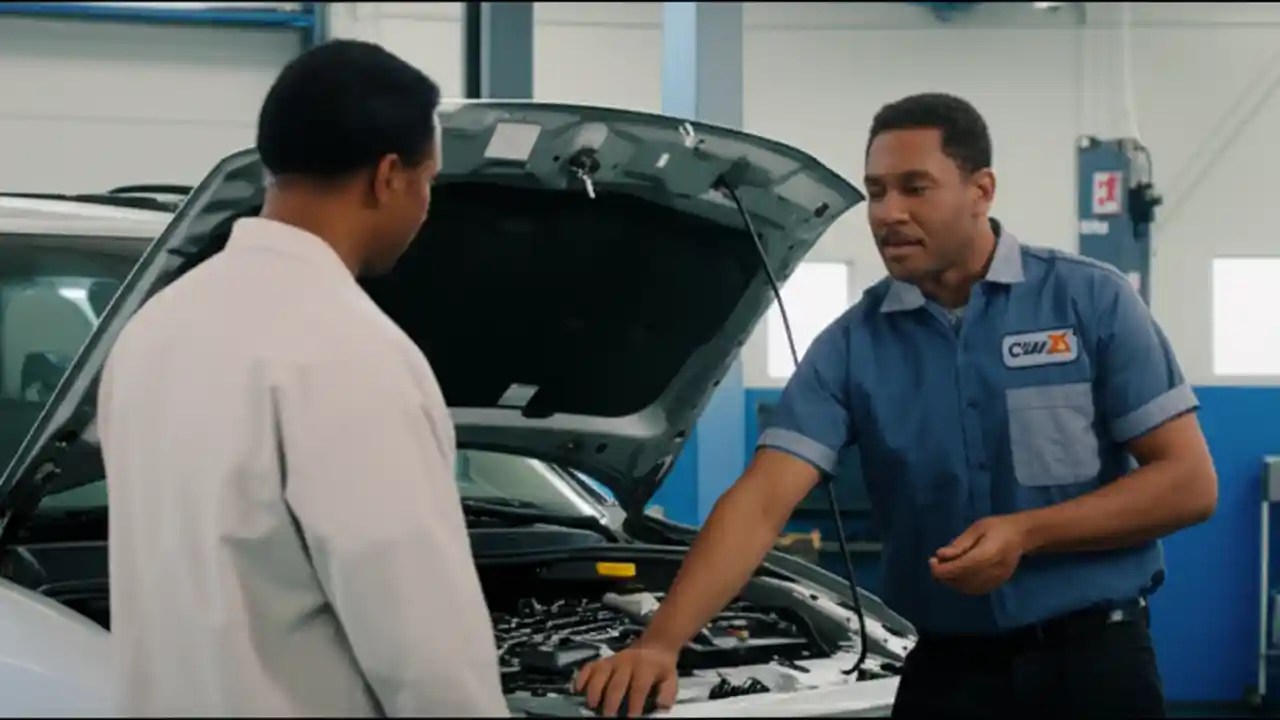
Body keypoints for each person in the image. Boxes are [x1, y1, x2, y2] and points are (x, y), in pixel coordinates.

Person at [572, 92, 1218, 718]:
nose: (887, 213)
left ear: (981, 190)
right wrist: (660, 643)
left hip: (1094, 664)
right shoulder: (852, 346)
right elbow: (762, 501)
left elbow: (1188, 484)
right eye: (876, 191)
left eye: (915, 187)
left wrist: (1027, 533)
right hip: (949, 670)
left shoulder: (1089, 303)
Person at [98, 40, 507, 716]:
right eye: (429, 180)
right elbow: (426, 651)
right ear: (388, 177)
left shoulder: (151, 333)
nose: (426, 206)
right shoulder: (352, 353)